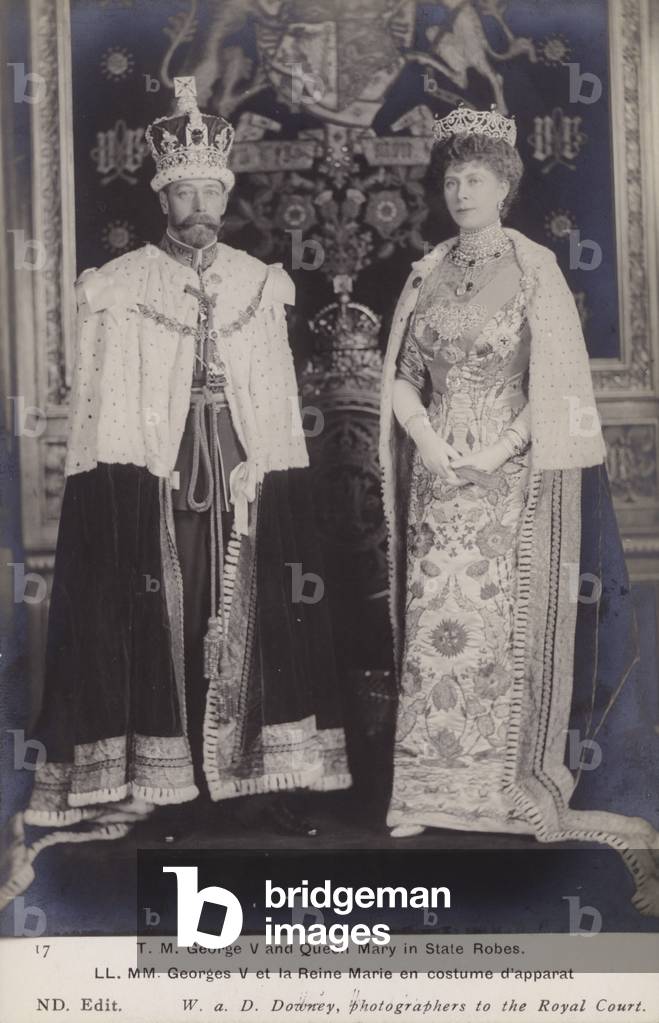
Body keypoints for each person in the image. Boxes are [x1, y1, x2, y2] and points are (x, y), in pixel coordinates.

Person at [0, 78, 350, 907]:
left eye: (209, 192)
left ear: (225, 197)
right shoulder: (120, 283)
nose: (198, 206)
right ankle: (170, 786)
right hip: (158, 483)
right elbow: (106, 411)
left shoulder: (259, 281)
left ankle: (266, 784)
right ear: (163, 197)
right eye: (183, 192)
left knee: (261, 617)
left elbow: (273, 400)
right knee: (174, 618)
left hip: (243, 475)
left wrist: (260, 468)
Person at [379, 105, 659, 914]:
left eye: (476, 178)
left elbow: (558, 385)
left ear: (504, 186)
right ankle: (423, 790)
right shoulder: (426, 272)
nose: (461, 190)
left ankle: (505, 789)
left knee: (501, 629)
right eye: (451, 178)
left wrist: (497, 448)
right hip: (438, 481)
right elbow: (401, 376)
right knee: (435, 625)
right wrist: (425, 438)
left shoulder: (535, 269)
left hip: (510, 480)